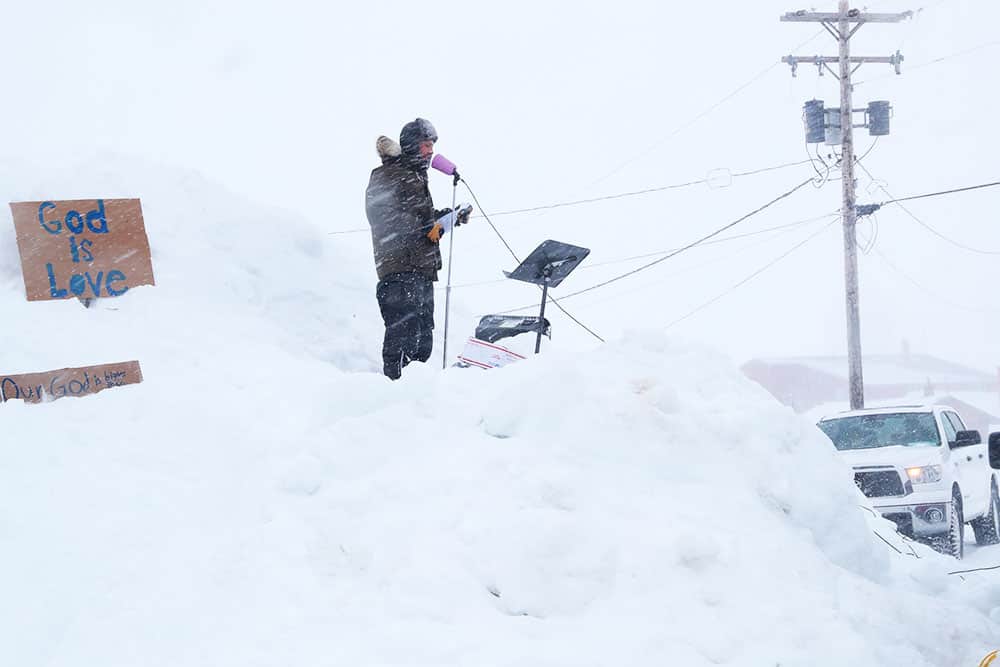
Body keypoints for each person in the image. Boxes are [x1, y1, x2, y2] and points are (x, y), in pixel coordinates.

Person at [365, 118, 470, 380]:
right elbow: (384, 215)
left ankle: (416, 393)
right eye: (425, 145)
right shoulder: (388, 174)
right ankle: (394, 388)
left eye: (431, 145)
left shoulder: (413, 175)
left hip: (420, 268)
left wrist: (448, 217)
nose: (430, 151)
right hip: (399, 267)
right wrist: (430, 228)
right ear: (412, 145)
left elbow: (419, 216)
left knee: (423, 338)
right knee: (403, 333)